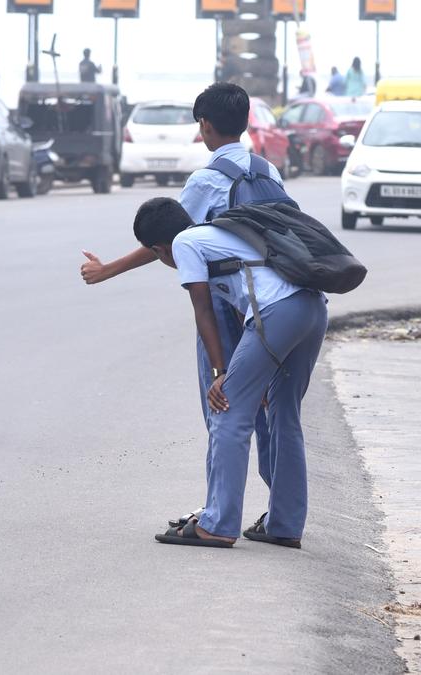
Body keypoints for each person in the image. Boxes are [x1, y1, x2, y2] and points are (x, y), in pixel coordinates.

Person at [80, 83, 281, 528]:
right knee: (271, 412)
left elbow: (171, 239)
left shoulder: (206, 180)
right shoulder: (268, 172)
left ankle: (216, 513)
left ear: (204, 126)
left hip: (223, 301)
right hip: (269, 303)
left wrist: (107, 269)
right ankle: (279, 513)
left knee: (221, 405)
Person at [135, 197, 328, 548]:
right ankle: (284, 525)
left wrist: (219, 372)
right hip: (312, 308)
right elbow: (243, 305)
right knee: (283, 414)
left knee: (227, 408)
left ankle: (218, 524)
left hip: (276, 313)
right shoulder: (220, 233)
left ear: (159, 249)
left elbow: (203, 310)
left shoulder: (184, 243)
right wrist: (254, 370)